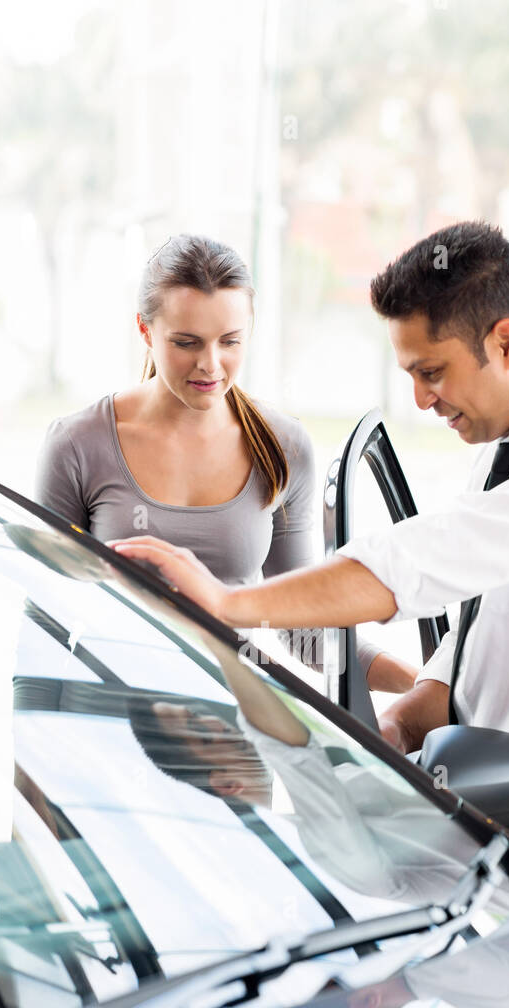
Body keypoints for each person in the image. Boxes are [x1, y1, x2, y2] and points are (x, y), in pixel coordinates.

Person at [109, 221, 509, 905]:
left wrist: (227, 604)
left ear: (507, 343)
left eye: (431, 372)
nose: (423, 400)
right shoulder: (507, 450)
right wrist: (410, 717)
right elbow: (488, 625)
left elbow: (436, 557)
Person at [35, 232, 411, 692]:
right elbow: (45, 614)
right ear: (145, 330)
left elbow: (303, 628)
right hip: (107, 716)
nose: (210, 365)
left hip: (230, 720)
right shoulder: (76, 444)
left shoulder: (283, 447)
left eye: (230, 341)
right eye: (186, 342)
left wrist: (423, 687)